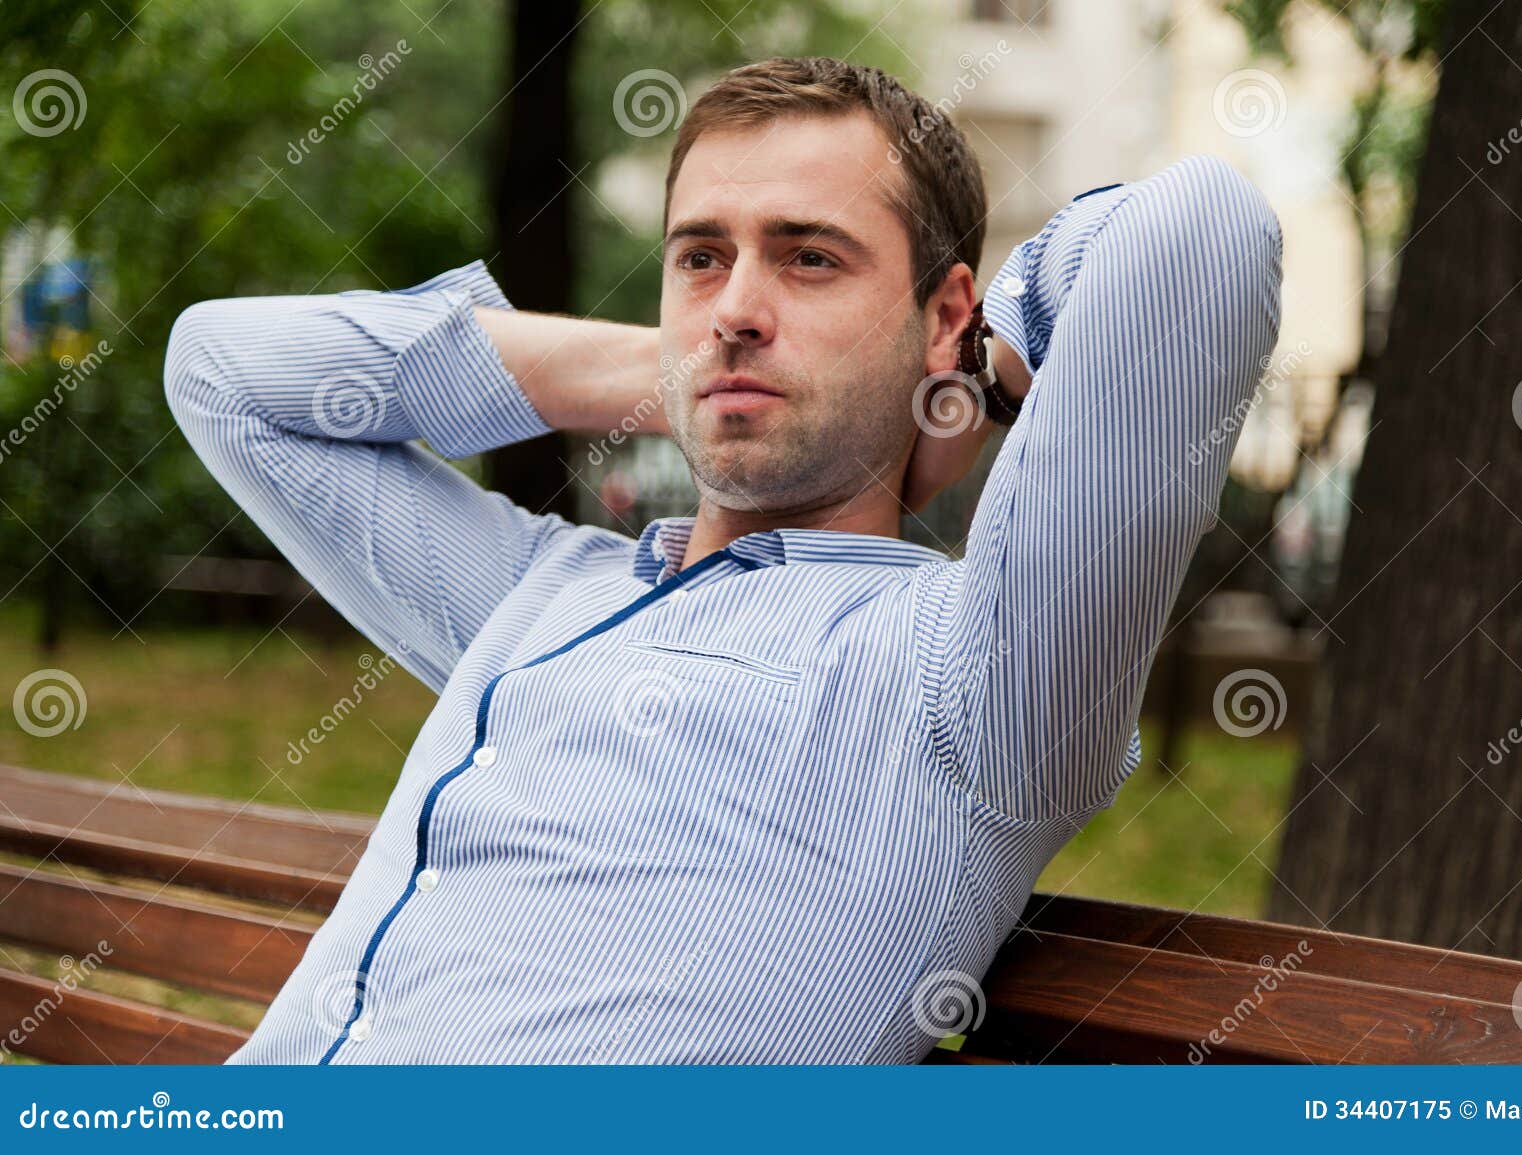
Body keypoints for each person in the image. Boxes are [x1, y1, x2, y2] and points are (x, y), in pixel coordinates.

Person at [164, 55, 1281, 1064]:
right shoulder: (536, 592)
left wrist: (969, 374)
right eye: (701, 257)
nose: (736, 310)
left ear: (944, 313)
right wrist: (678, 377)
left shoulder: (972, 683)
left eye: (809, 259)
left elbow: (1202, 239)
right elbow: (221, 370)